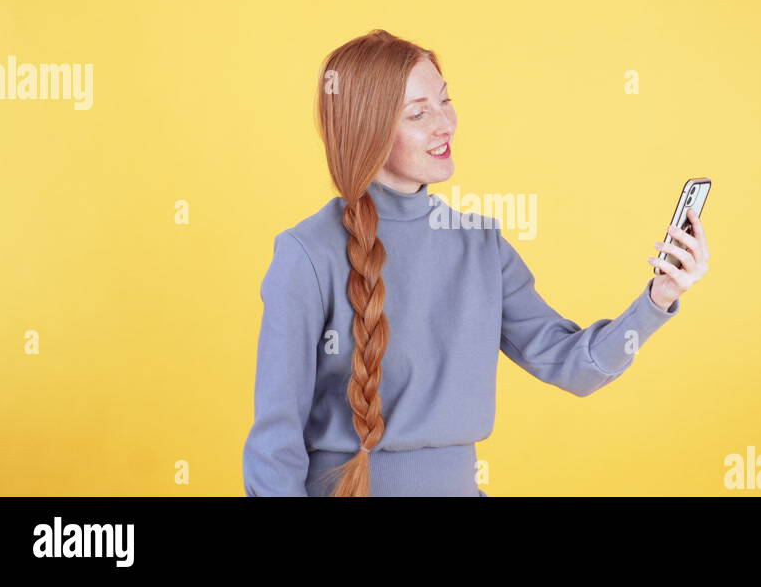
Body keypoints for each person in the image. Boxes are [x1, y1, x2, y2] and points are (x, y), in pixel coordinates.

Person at [242, 29, 710, 497]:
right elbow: (274, 444)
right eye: (418, 113)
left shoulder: (482, 246)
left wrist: (658, 297)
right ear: (368, 128)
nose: (445, 124)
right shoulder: (306, 253)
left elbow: (574, 367)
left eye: (445, 101)